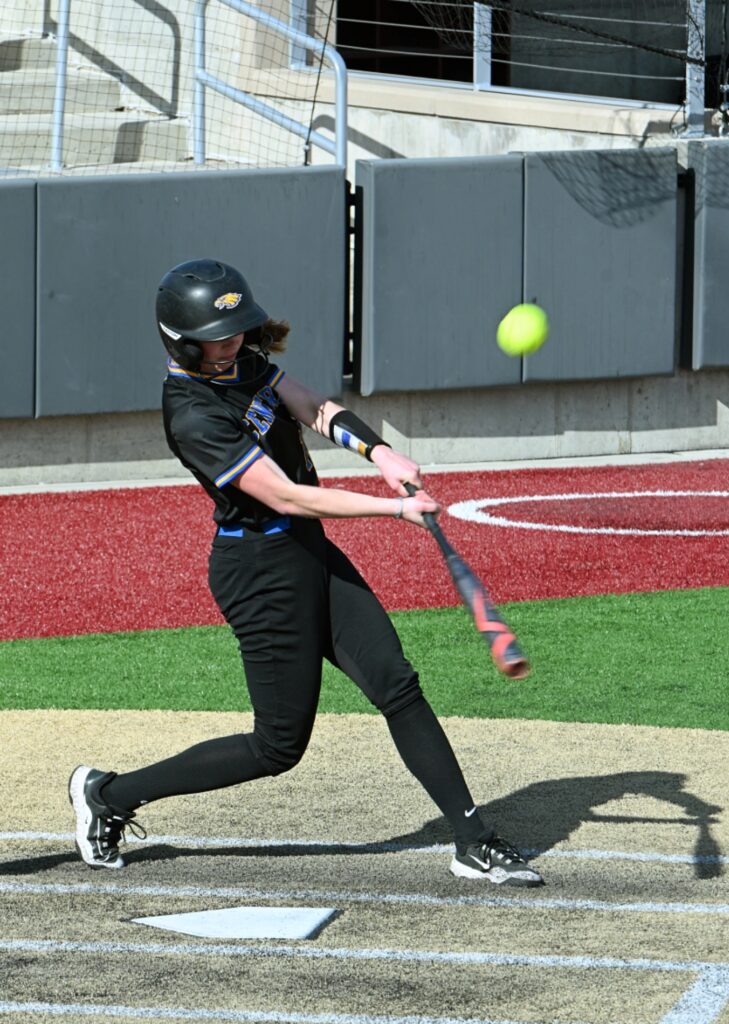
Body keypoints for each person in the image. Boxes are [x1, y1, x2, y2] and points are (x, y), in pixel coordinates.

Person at [68, 258, 543, 888]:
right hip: (259, 573)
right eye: (221, 333)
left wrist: (379, 451)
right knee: (277, 748)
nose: (235, 340)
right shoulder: (192, 413)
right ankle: (111, 794)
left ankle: (472, 840)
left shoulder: (241, 364)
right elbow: (288, 496)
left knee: (396, 684)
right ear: (182, 341)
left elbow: (314, 408)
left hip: (307, 550)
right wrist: (394, 507)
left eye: (239, 328)